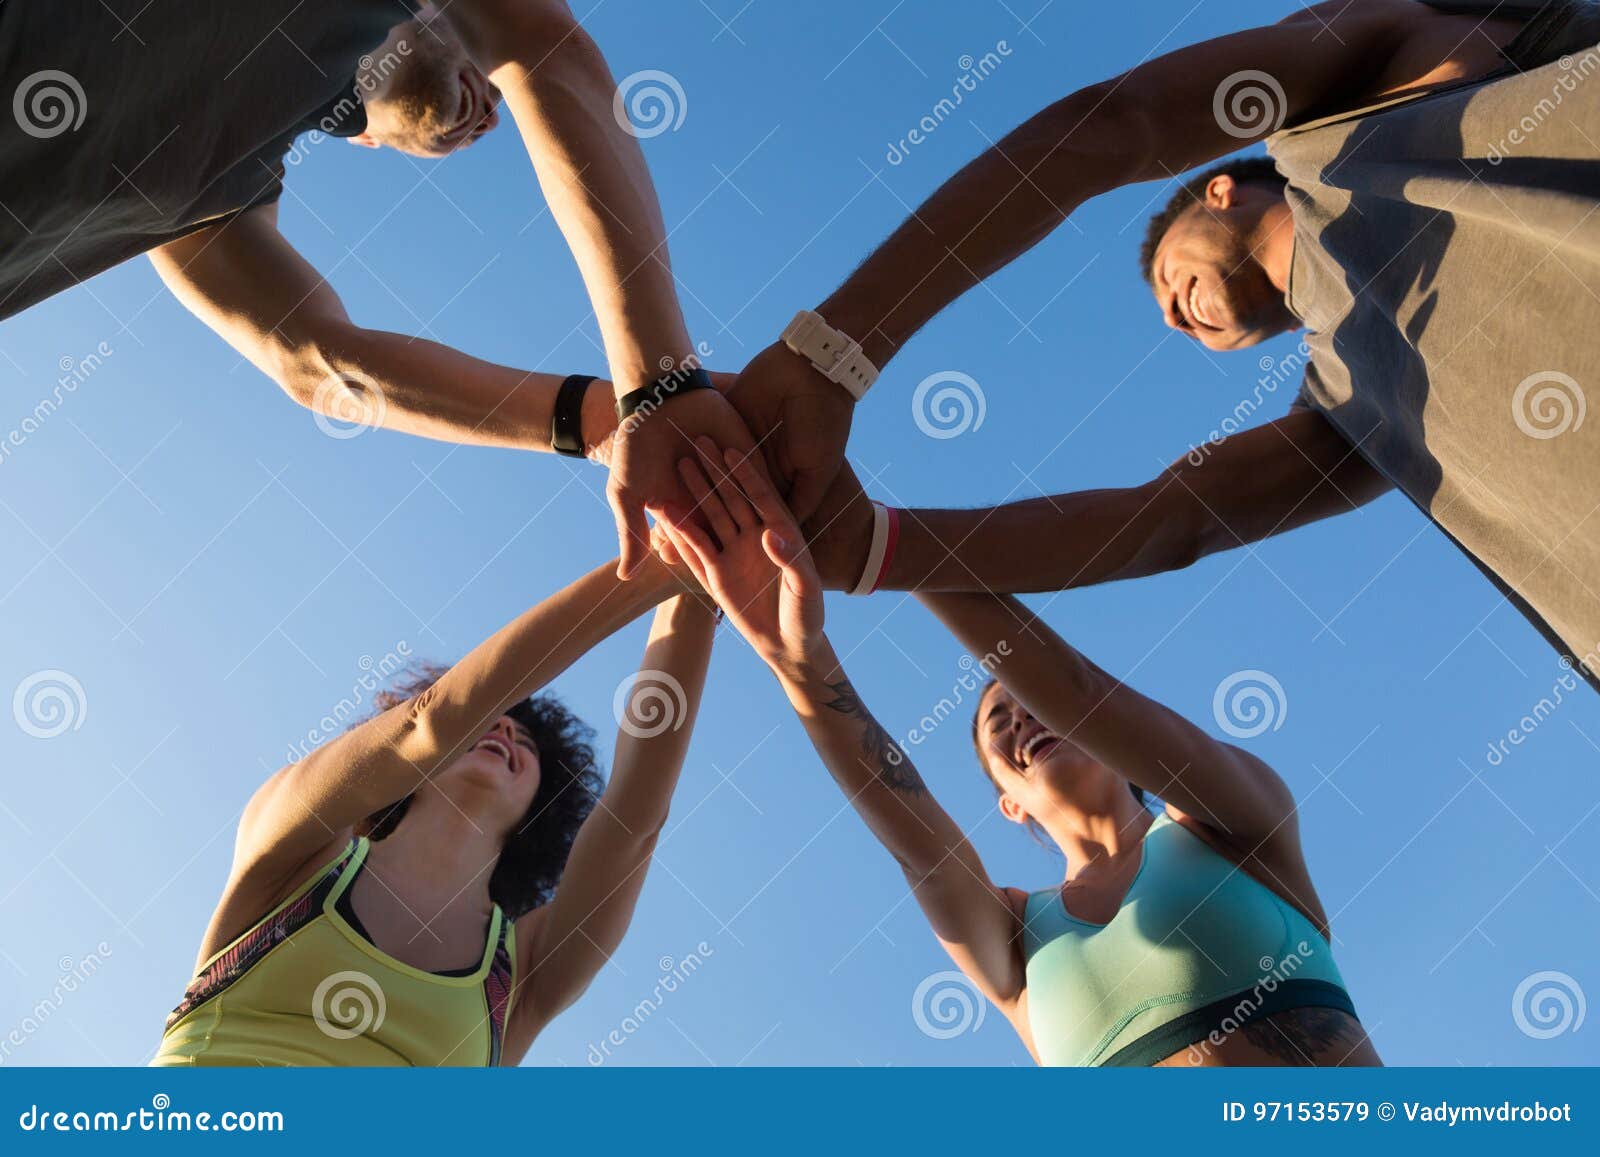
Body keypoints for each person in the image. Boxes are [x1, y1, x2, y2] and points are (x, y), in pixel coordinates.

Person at [731, 0, 1600, 687]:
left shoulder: (1342, 113)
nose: (1173, 316)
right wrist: (870, 547)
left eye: (1165, 277)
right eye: (1168, 318)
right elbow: (1170, 520)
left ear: (1220, 189)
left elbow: (1119, 124)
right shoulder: (1353, 403)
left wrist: (830, 355)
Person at [655, 444, 1381, 1066]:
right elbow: (920, 847)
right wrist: (798, 661)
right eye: (998, 722)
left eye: (1028, 702)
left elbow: (1077, 691)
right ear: (1008, 801)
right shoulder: (1017, 937)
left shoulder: (1229, 823)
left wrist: (876, 545)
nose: (1023, 717)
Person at [1, 1, 756, 574]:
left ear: (366, 140)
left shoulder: (214, 195)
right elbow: (537, 41)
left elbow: (321, 364)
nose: (493, 113)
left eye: (497, 103)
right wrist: (662, 383)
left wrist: (604, 423)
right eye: (489, 71)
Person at [152, 554, 712, 1065]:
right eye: (486, 722)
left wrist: (703, 575)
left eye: (525, 742)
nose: (504, 731)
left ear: (542, 806)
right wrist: (668, 558)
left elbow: (634, 823)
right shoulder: (300, 853)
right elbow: (426, 726)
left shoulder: (521, 971)